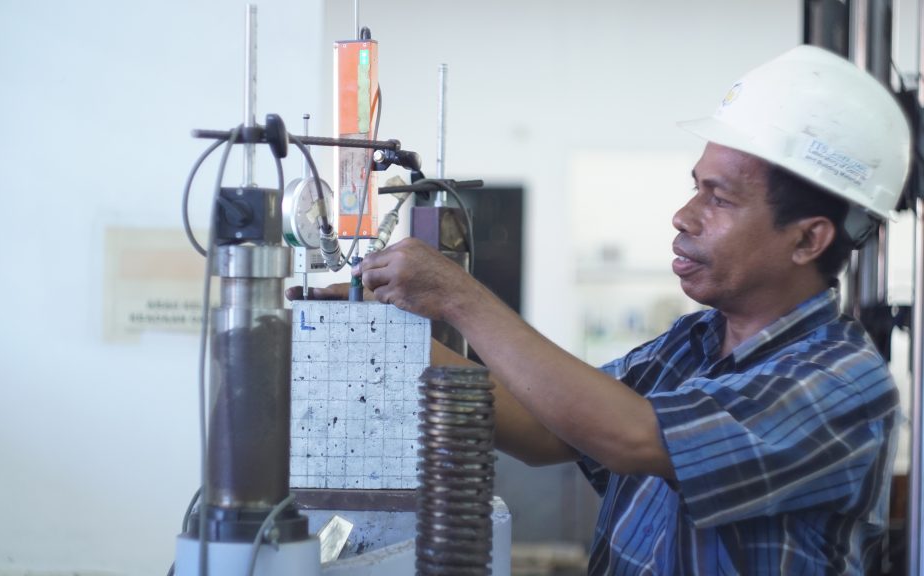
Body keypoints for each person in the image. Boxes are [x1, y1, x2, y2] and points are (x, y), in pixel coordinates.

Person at [288, 45, 911, 574]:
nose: (684, 215)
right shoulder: (695, 342)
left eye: (718, 199)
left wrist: (457, 294)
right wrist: (374, 333)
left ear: (808, 238)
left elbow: (631, 438)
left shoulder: (840, 385)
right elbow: (545, 429)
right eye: (696, 186)